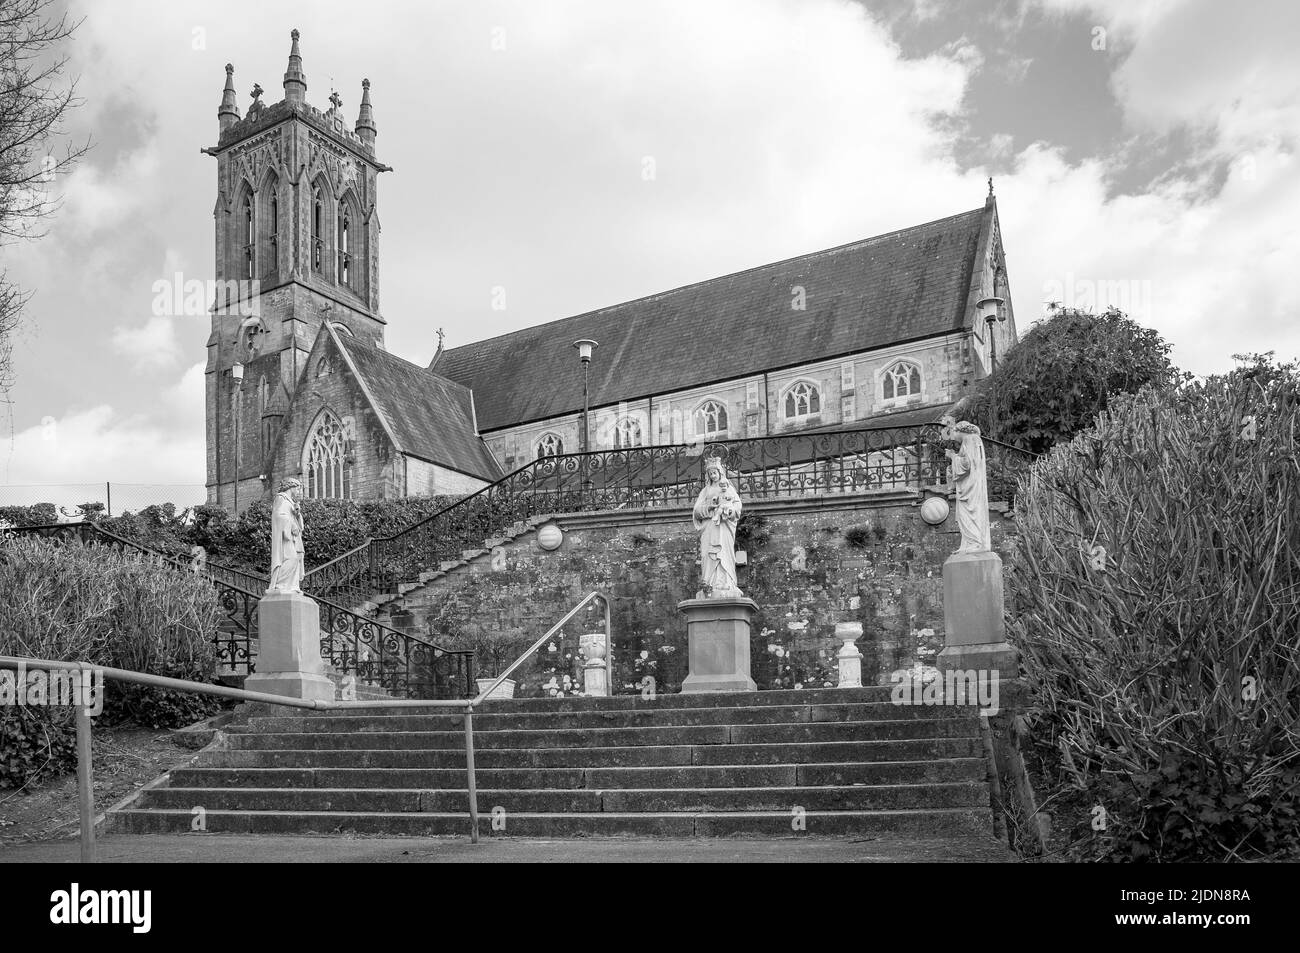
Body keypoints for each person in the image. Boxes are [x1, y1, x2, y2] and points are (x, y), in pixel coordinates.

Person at [692, 456, 743, 595]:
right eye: (710, 473)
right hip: (709, 527)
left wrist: (730, 511)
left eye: (715, 472)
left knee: (724, 553)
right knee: (708, 555)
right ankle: (708, 585)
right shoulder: (705, 491)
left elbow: (737, 506)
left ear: (720, 472)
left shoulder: (728, 488)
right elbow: (696, 511)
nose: (713, 475)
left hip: (724, 527)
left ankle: (727, 583)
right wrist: (709, 507)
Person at [945, 422, 991, 553]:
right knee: (969, 513)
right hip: (972, 483)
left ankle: (974, 544)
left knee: (969, 513)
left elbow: (967, 464)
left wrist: (953, 456)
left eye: (953, 433)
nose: (953, 437)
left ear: (959, 430)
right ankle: (970, 544)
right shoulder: (974, 439)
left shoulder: (969, 439)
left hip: (970, 486)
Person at [267, 477, 305, 592]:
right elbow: (278, 515)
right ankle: (280, 584)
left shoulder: (290, 501)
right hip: (285, 537)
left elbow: (299, 524)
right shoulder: (281, 498)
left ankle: (292, 586)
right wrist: (291, 525)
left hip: (293, 537)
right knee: (291, 559)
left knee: (297, 558)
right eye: (297, 489)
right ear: (290, 487)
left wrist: (297, 514)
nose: (298, 492)